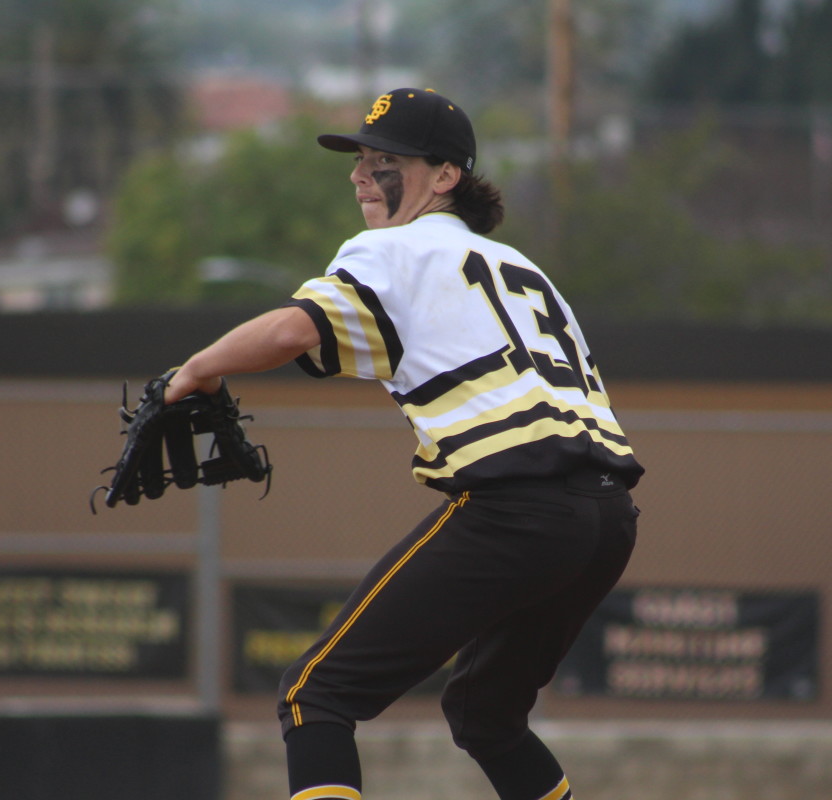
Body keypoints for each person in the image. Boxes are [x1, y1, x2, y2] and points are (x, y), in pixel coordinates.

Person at [165, 88, 643, 800]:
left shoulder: (395, 247)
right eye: (359, 160)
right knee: (487, 715)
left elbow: (297, 329)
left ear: (445, 175)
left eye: (383, 160)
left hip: (518, 507)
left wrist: (197, 369)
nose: (360, 176)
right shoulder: (521, 267)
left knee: (314, 696)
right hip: (607, 518)